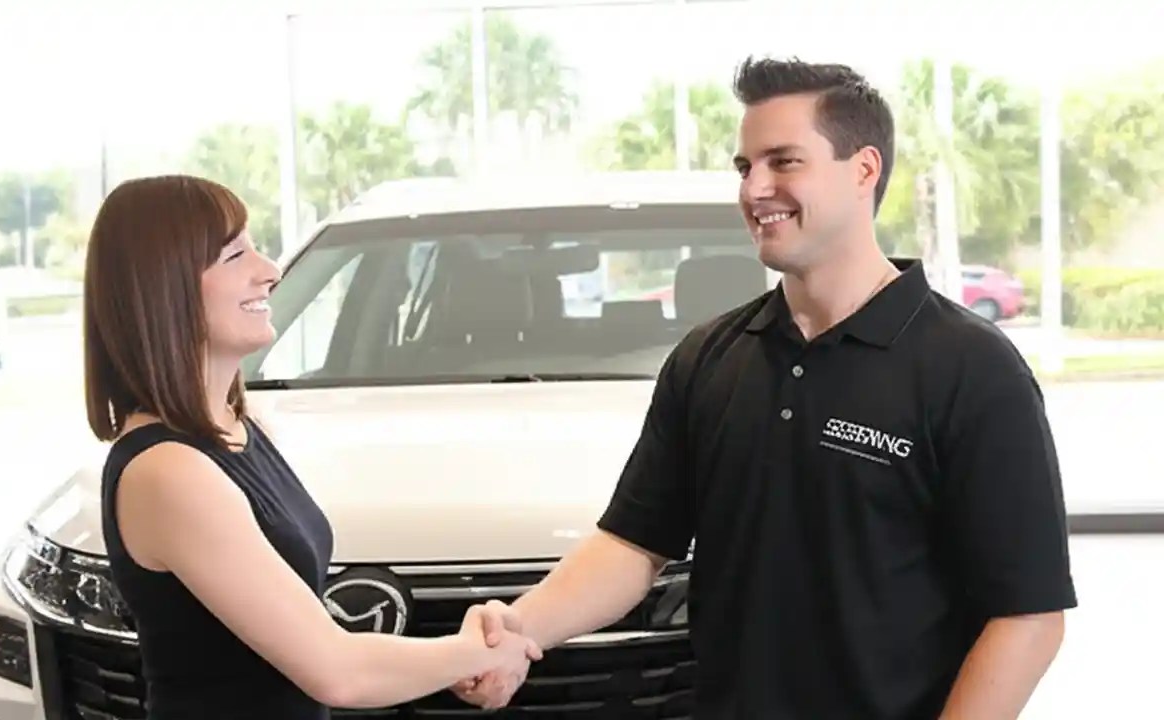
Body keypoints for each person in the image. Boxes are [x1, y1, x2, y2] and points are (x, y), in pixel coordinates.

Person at [453, 56, 1077, 719]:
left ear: (864, 170)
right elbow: (632, 545)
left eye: (784, 162)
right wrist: (518, 634)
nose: (755, 190)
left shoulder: (970, 368)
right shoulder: (711, 358)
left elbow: (1028, 617)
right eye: (745, 167)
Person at [83, 175, 541, 720]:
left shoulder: (239, 428)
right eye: (235, 255)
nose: (270, 271)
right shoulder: (167, 471)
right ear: (165, 287)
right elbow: (337, 671)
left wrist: (461, 654)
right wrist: (475, 653)